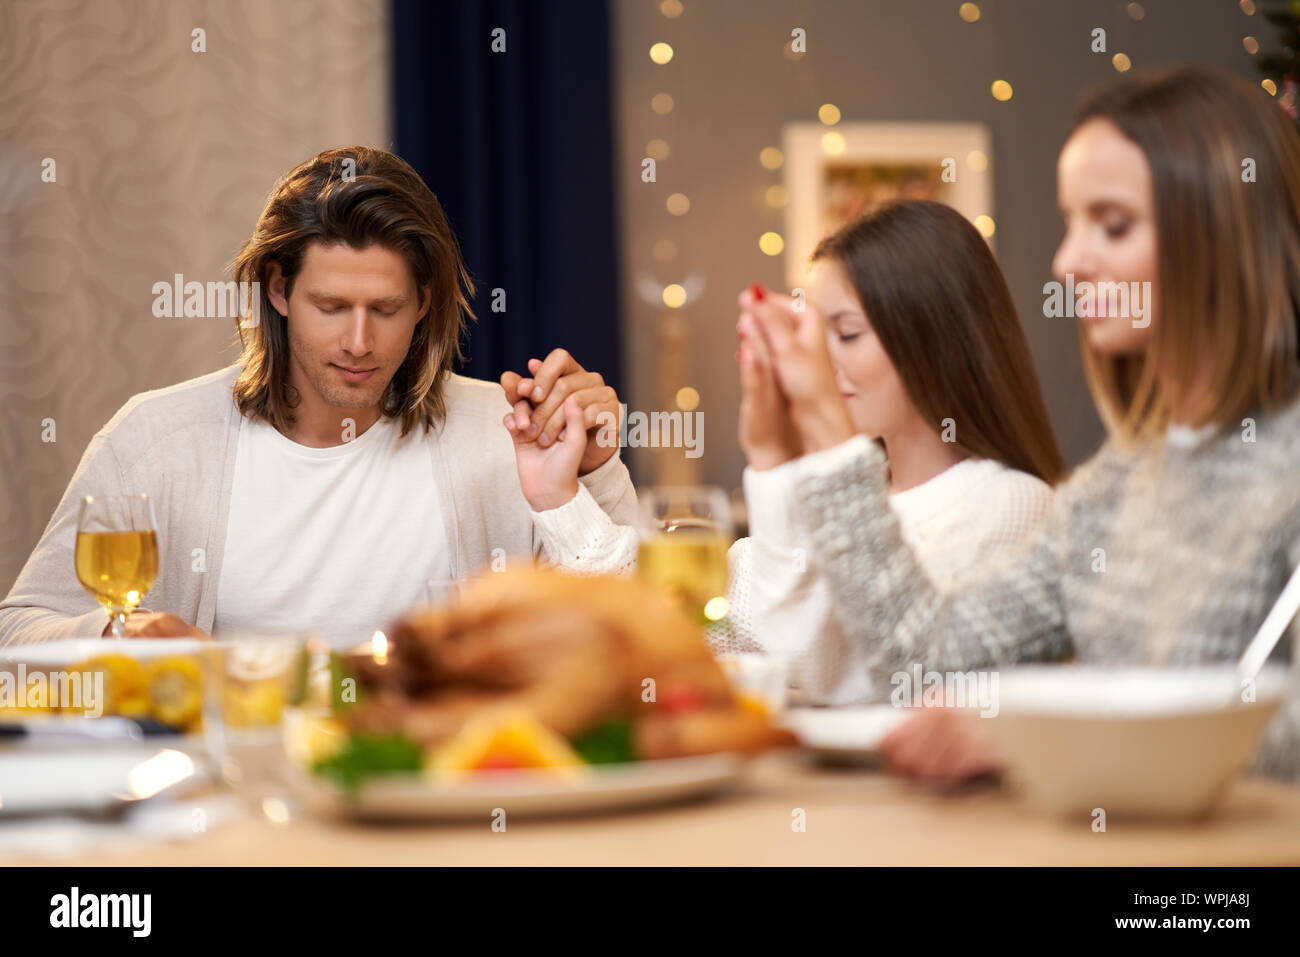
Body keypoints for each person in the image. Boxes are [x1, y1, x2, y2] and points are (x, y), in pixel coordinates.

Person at [736, 65, 1300, 782]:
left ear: (1220, 232)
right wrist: (822, 452)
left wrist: (1044, 733)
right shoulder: (1107, 492)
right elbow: (925, 662)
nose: (1068, 262)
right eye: (1071, 224)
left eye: (1114, 225)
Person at [0, 146, 637, 647]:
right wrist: (118, 634)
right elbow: (18, 636)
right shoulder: (154, 440)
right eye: (330, 306)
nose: (359, 341)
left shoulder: (510, 436)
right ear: (279, 292)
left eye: (385, 309)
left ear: (423, 304)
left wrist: (592, 474)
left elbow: (638, 634)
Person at [710, 201, 1065, 705]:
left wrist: (805, 455)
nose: (821, 358)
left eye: (847, 333)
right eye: (815, 332)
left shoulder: (1010, 504)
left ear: (932, 335)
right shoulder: (839, 500)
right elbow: (713, 629)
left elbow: (869, 676)